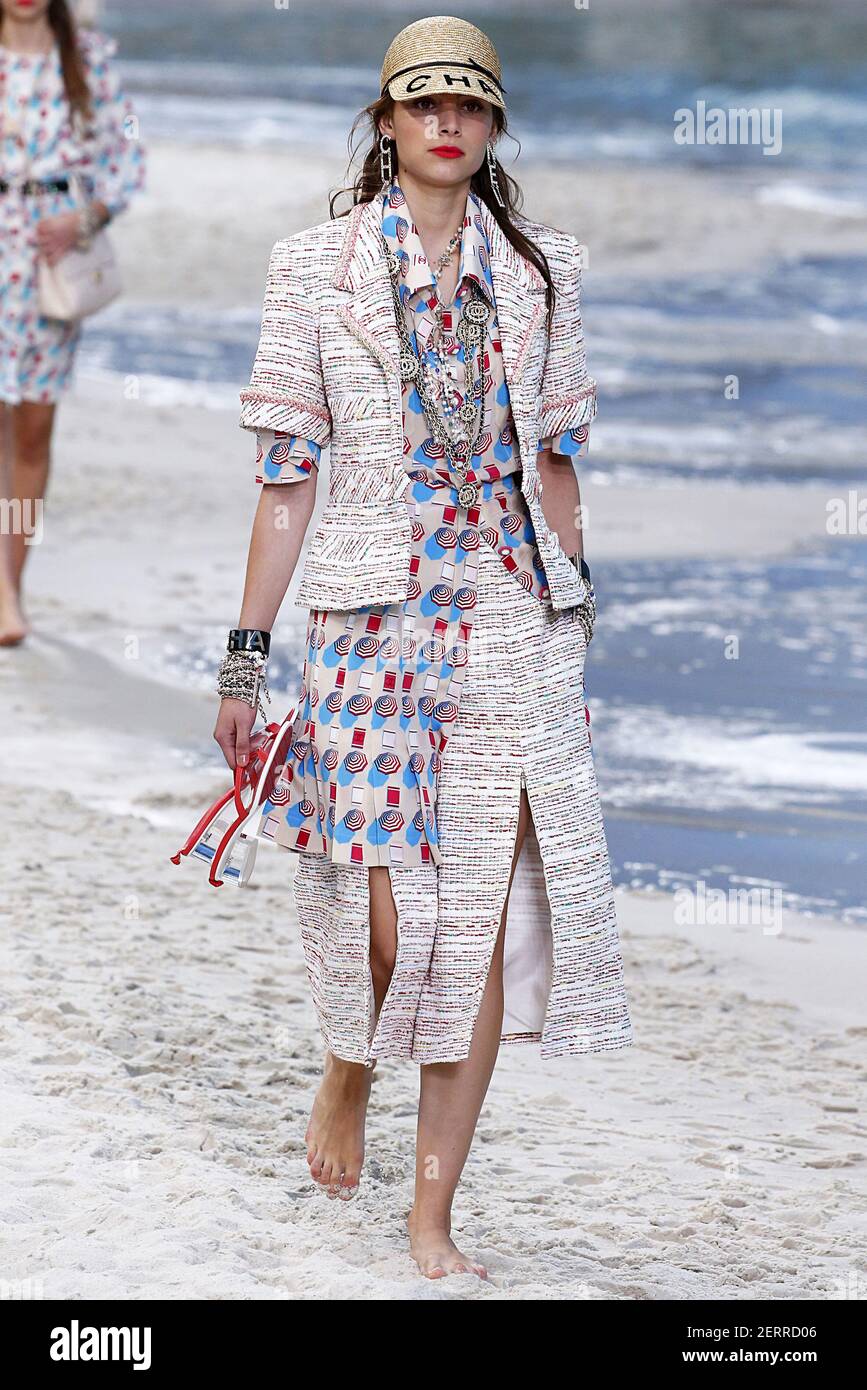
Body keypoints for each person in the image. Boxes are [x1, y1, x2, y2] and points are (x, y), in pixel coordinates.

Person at [213, 16, 633, 1280]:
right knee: (396, 925)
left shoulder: (544, 267)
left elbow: (555, 468)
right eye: (423, 103)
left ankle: (430, 1212)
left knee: (483, 927)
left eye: (471, 105)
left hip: (512, 604)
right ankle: (351, 1063)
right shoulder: (314, 268)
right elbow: (288, 477)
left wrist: (578, 637)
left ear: (493, 126)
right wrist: (244, 660)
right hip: (372, 610)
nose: (448, 123)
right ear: (386, 120)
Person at [0, 0, 145, 645]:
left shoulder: (88, 58)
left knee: (32, 432)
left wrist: (83, 218)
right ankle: (0, 593)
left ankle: (12, 583)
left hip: (53, 264)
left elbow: (125, 159)